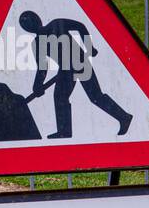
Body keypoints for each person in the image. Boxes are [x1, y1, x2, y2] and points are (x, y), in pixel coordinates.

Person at [18, 10, 132, 139]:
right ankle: (64, 131)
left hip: (80, 62)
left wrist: (89, 47)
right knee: (60, 98)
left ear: (38, 20)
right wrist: (37, 85)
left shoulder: (57, 24)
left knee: (95, 96)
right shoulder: (37, 43)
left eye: (31, 22)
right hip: (65, 70)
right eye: (27, 25)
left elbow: (80, 26)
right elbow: (43, 67)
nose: (31, 25)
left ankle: (124, 117)